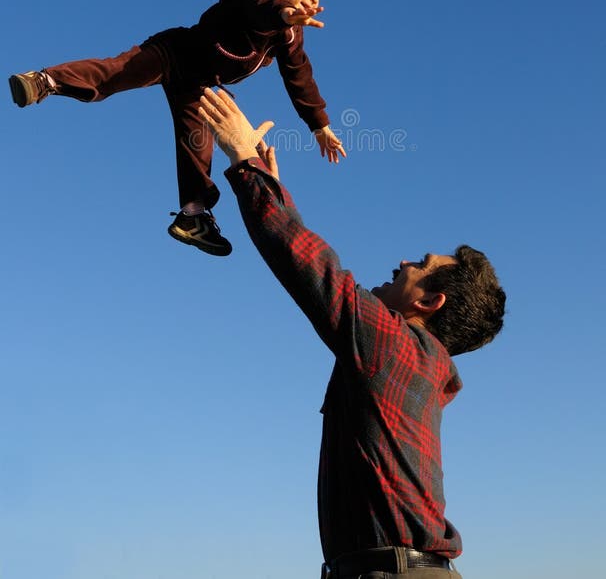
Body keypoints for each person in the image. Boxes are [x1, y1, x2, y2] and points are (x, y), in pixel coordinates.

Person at [197, 87, 506, 579]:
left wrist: (244, 161)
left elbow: (310, 265)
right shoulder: (410, 363)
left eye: (420, 266)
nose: (404, 262)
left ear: (429, 302)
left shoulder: (395, 346)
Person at [8, 0, 346, 256]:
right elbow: (260, 5)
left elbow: (299, 74)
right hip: (175, 53)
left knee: (198, 144)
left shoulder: (290, 37)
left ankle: (193, 215)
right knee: (116, 73)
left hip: (198, 83)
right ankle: (45, 81)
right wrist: (282, 12)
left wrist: (320, 124)